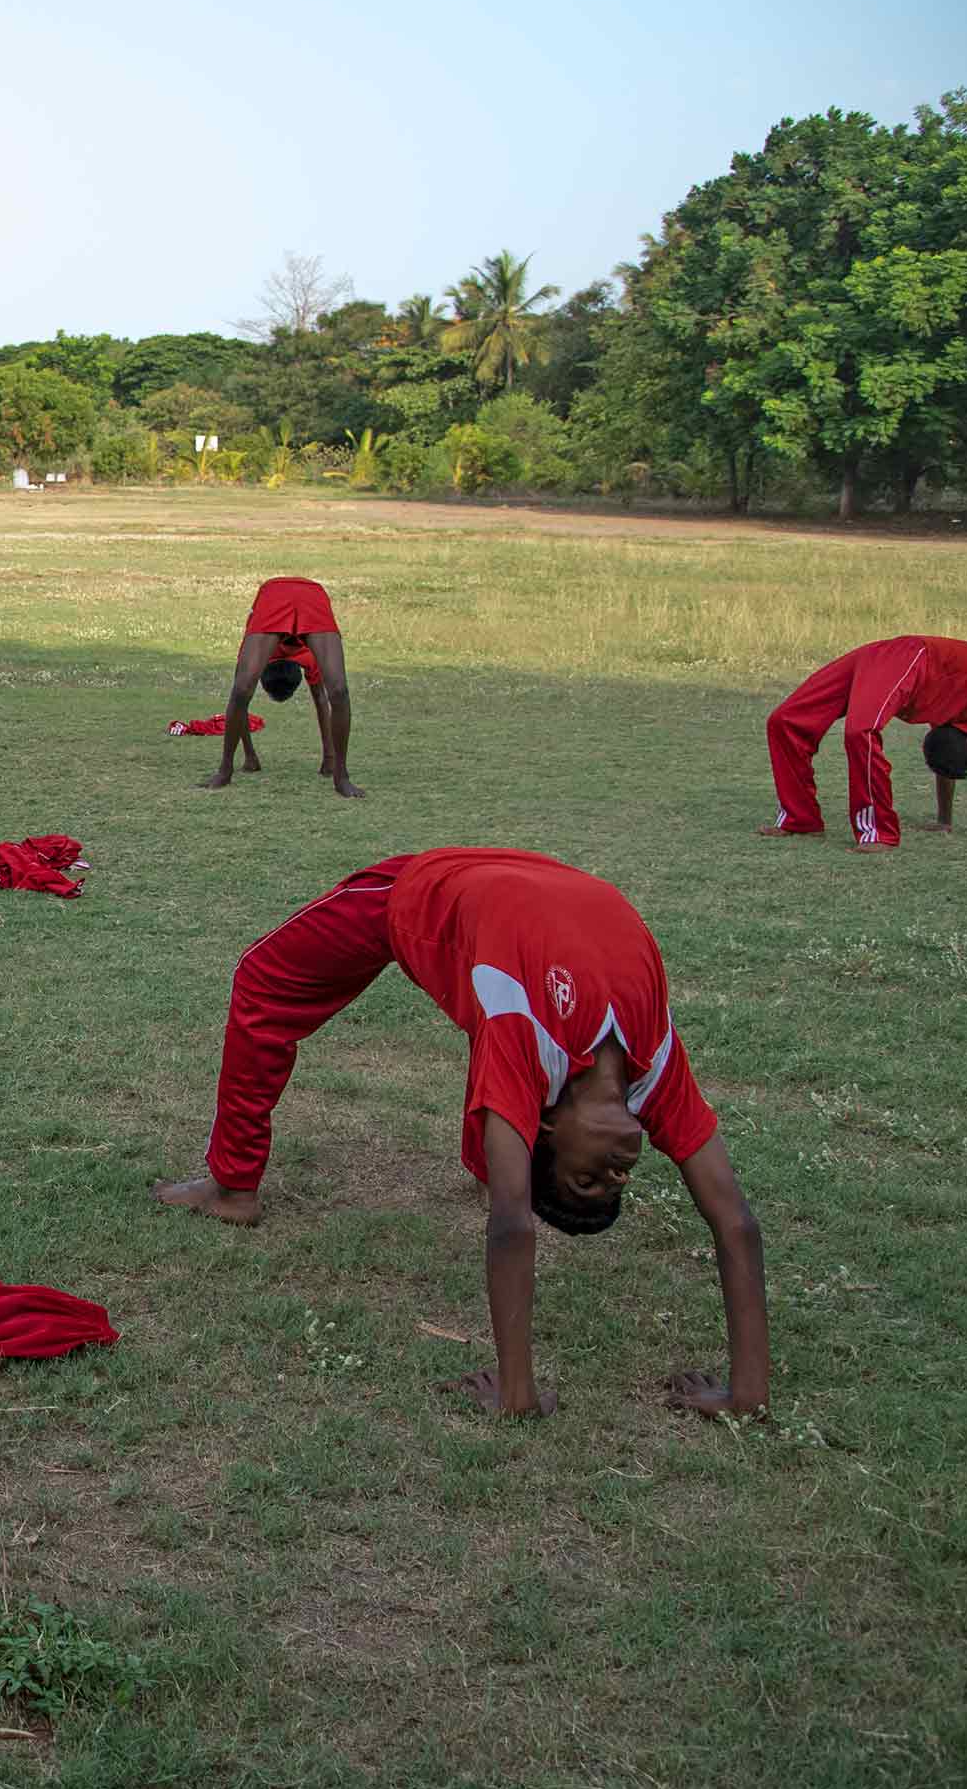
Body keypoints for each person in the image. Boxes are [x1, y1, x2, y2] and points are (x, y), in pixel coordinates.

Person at [152, 848, 768, 1422]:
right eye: (616, 1182)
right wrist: (747, 1393)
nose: (618, 1171)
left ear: (545, 1125)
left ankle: (234, 1186)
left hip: (438, 896)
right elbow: (735, 1219)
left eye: (590, 1180)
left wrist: (516, 1391)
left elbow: (510, 1223)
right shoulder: (654, 1065)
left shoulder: (521, 1034)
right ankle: (246, 1188)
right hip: (503, 873)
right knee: (490, 1049)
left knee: (264, 976)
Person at [760, 634, 967, 850]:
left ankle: (802, 820)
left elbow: (946, 763)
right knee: (856, 730)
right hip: (910, 656)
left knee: (783, 720)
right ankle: (874, 832)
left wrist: (944, 822)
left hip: (884, 656)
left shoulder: (956, 723)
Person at [198, 576, 360, 796]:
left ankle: (341, 777)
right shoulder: (263, 656)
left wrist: (329, 759)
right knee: (242, 689)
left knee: (339, 691)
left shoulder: (308, 658)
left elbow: (322, 699)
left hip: (309, 596)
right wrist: (249, 756)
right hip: (274, 596)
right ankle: (225, 770)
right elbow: (240, 698)